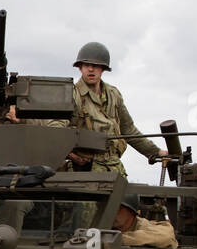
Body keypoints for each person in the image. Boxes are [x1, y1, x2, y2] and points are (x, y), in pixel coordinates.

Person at [66, 42, 166, 174]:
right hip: (86, 171)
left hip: (114, 167)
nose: (91, 69)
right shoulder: (72, 95)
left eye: (95, 66)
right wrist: (71, 155)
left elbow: (128, 129)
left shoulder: (113, 94)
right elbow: (58, 131)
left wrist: (156, 152)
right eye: (86, 65)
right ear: (80, 68)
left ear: (103, 68)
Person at [113, 194, 178, 249]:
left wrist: (118, 240)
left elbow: (167, 237)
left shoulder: (143, 226)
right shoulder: (107, 224)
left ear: (131, 211)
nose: (112, 212)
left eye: (118, 208)